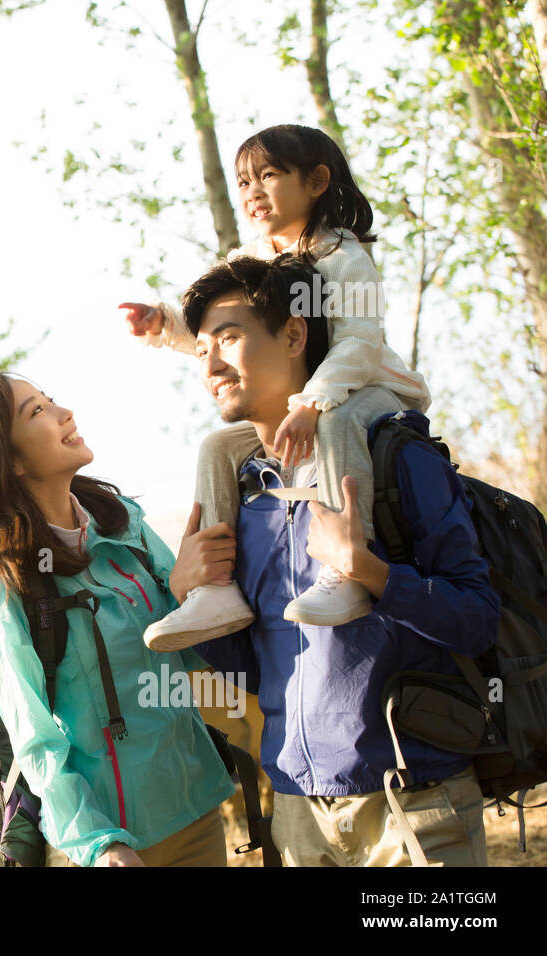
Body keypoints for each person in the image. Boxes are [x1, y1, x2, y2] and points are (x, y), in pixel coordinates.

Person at [182, 253, 498, 866]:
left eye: (228, 337)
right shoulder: (248, 491)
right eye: (200, 351)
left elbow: (478, 619)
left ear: (295, 334)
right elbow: (255, 670)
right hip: (299, 814)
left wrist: (371, 574)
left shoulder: (395, 459)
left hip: (414, 805)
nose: (212, 365)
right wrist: (192, 593)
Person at [121, 124, 430, 650]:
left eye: (268, 175)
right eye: (244, 181)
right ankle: (218, 589)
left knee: (335, 420)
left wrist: (313, 401)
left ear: (316, 181)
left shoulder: (344, 258)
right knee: (218, 445)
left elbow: (359, 343)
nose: (252, 191)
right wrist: (164, 323)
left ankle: (347, 569)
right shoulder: (252, 258)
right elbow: (213, 321)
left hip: (370, 388)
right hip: (301, 402)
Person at [0, 372, 237, 867]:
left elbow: (192, 653)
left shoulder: (124, 524)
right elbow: (36, 743)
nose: (64, 413)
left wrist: (189, 593)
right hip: (119, 843)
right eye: (37, 412)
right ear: (7, 461)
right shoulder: (9, 594)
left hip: (197, 809)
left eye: (51, 401)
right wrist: (100, 845)